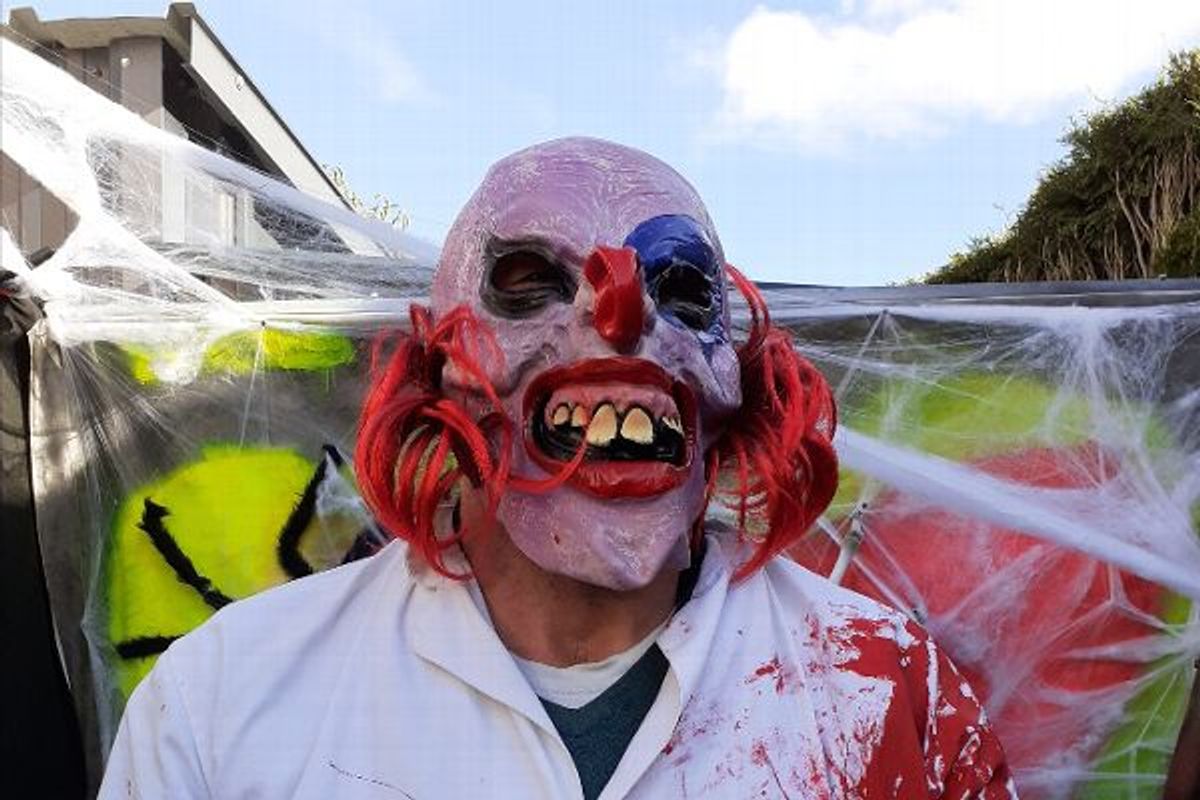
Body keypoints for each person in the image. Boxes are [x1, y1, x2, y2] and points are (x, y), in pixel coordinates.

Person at [99, 138, 1016, 798]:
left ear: (731, 379)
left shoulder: (889, 688)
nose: (619, 318)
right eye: (530, 281)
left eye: (682, 290)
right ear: (445, 365)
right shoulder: (226, 700)